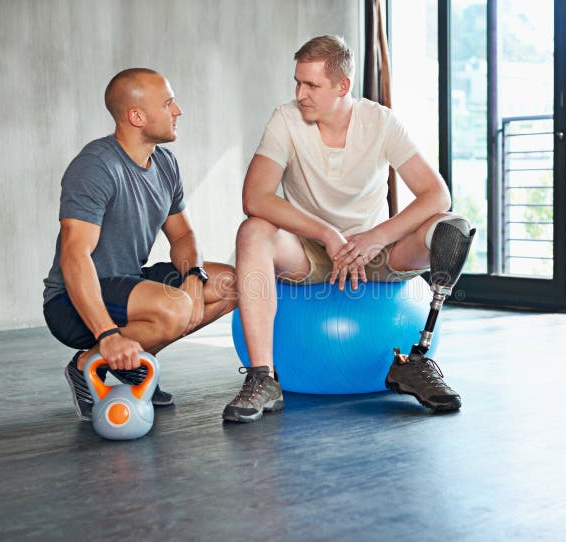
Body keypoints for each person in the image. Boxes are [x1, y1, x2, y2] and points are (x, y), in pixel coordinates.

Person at [222, 36, 475, 423]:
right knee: (253, 230)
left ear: (343, 87)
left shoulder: (380, 121)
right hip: (309, 252)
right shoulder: (286, 119)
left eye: (311, 85)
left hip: (377, 251)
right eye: (297, 83)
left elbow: (435, 193)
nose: (300, 94)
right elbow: (255, 198)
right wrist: (326, 233)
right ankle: (263, 379)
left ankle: (416, 358)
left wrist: (376, 236)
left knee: (447, 227)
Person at [43, 68, 237, 421]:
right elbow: (75, 256)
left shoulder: (164, 163)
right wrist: (107, 334)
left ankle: (131, 362)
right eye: (167, 103)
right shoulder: (96, 166)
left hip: (129, 283)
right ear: (137, 116)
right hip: (72, 300)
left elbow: (182, 236)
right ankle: (89, 362)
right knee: (176, 308)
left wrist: (193, 277)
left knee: (232, 285)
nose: (178, 110)